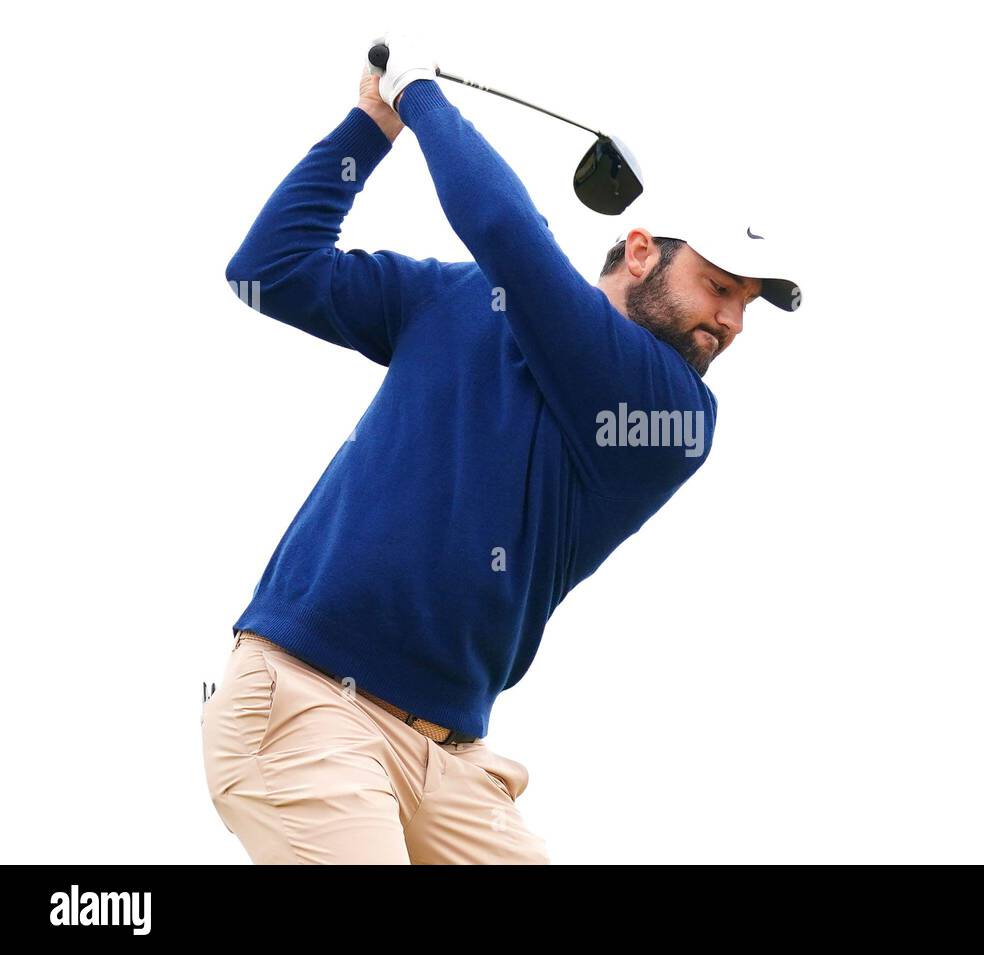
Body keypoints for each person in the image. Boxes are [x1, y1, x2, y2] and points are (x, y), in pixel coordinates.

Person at [201, 33, 801, 864]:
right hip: (306, 703)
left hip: (453, 765)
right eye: (721, 286)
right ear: (639, 250)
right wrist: (371, 124)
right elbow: (270, 267)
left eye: (749, 304)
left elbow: (507, 232)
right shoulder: (453, 297)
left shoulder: (672, 416)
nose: (733, 320)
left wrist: (420, 93)